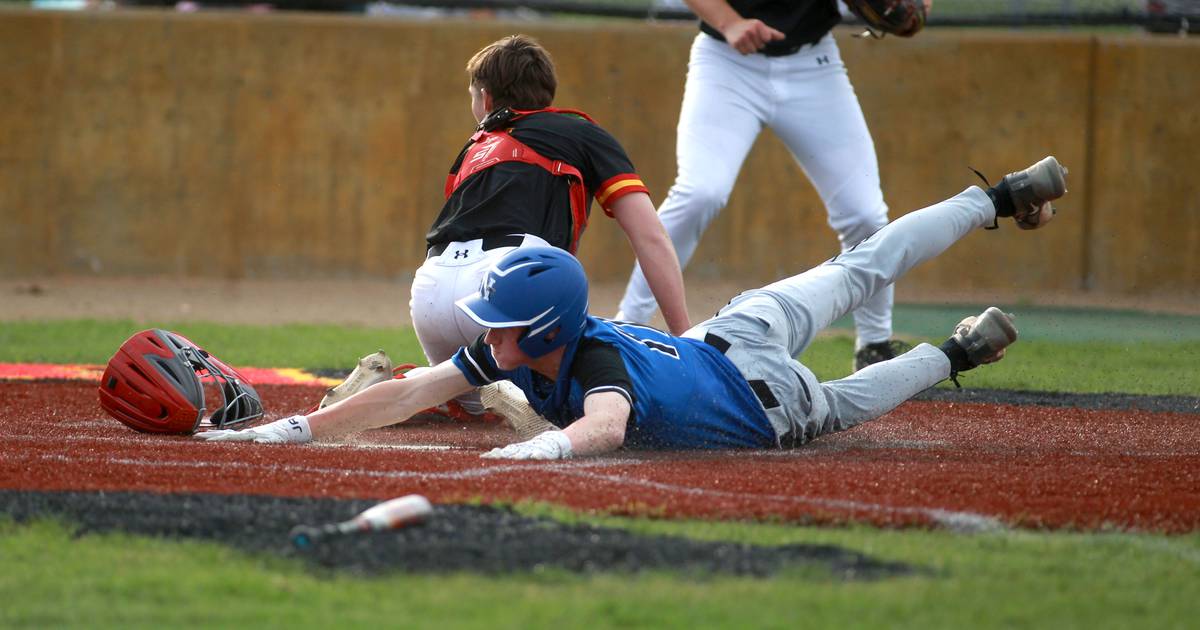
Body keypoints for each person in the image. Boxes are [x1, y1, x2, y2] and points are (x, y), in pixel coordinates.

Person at [195, 155, 1067, 458]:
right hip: (736, 331)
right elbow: (411, 391)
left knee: (843, 400)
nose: (482, 332)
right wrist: (292, 430)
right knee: (860, 263)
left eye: (499, 320)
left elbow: (606, 425)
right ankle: (997, 200)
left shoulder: (588, 361)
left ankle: (955, 351)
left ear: (537, 330)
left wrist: (531, 457)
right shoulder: (524, 347)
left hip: (769, 401)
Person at [328, 35, 691, 419]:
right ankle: (521, 393)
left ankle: (414, 387)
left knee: (468, 399)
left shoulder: (473, 147)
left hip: (431, 292)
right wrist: (685, 337)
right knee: (584, 388)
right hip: (507, 285)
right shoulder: (581, 133)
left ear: (485, 100)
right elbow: (650, 236)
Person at [614, 0, 932, 372]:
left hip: (814, 66)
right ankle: (627, 325)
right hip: (726, 62)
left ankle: (874, 344)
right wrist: (729, 21)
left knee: (865, 213)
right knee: (701, 192)